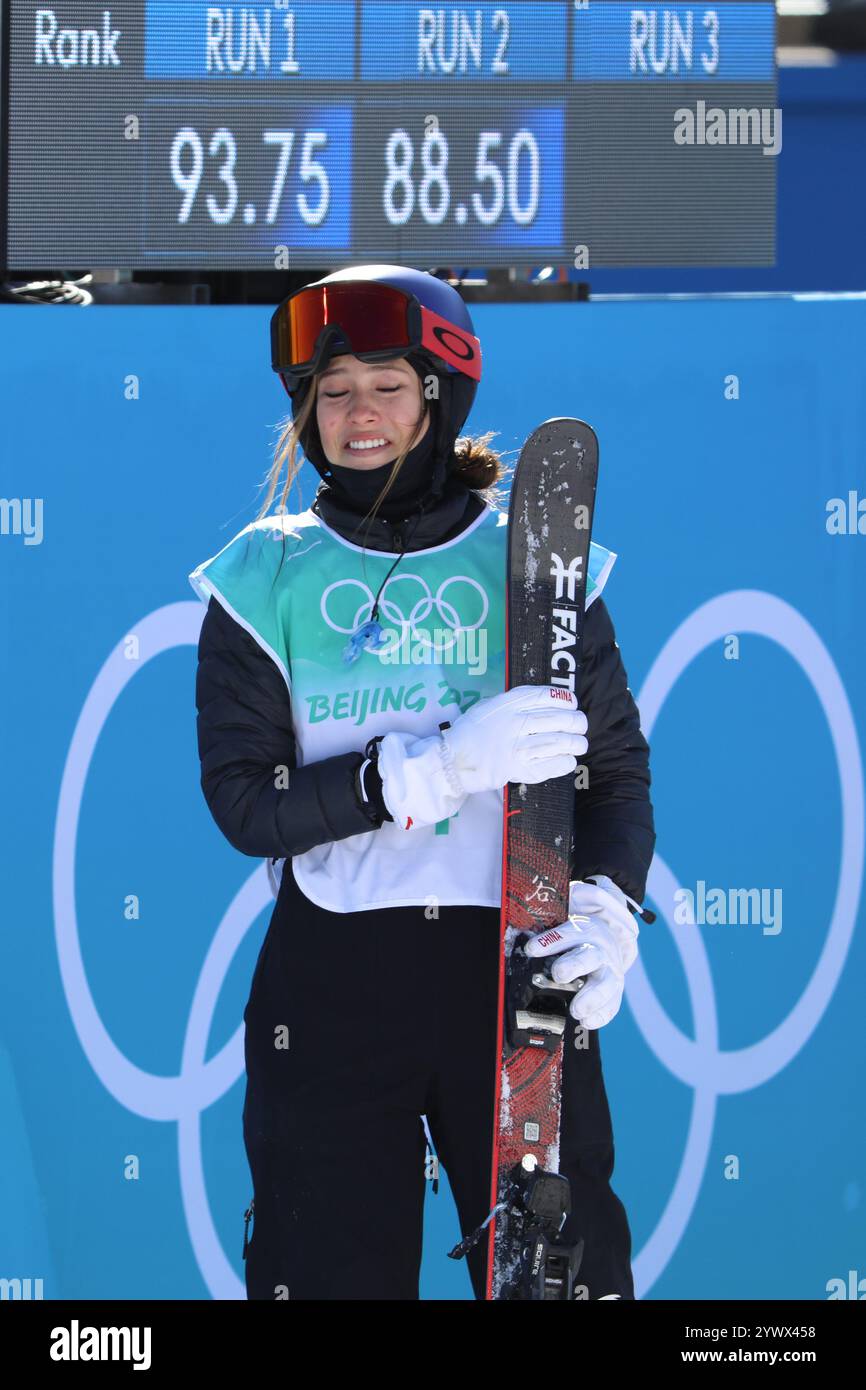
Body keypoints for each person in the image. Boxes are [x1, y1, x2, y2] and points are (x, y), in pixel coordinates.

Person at [189, 265, 656, 1301]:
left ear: (438, 398)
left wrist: (608, 905)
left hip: (510, 974)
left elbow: (612, 776)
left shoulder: (530, 558)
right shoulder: (262, 577)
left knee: (564, 1279)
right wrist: (435, 768)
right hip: (333, 982)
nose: (358, 414)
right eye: (332, 388)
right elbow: (246, 803)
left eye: (385, 386)